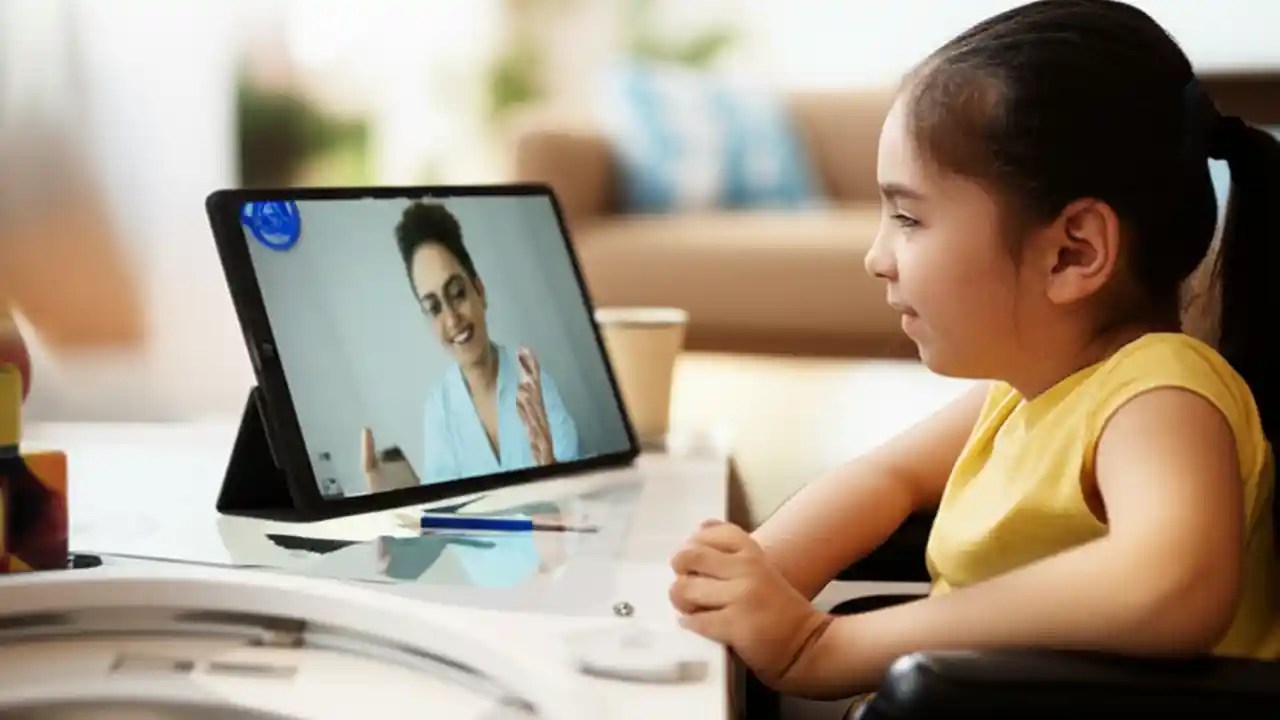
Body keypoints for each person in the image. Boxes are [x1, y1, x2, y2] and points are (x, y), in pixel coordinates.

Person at [667, 0, 1279, 702]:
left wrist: (832, 645)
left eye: (907, 216)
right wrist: (756, 576)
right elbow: (887, 476)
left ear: (1072, 251)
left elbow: (1174, 583)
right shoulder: (1030, 395)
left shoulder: (1163, 397)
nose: (877, 257)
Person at [362, 202, 579, 491]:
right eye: (434, 307)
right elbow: (444, 519)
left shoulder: (533, 379)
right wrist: (400, 506)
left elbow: (580, 492)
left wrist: (550, 465)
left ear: (480, 292)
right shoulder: (438, 409)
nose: (452, 319)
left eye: (457, 293)